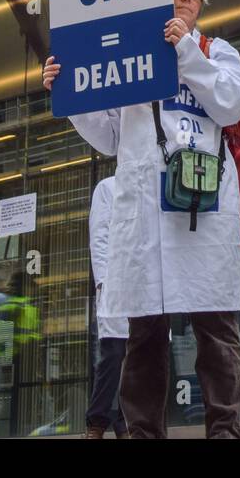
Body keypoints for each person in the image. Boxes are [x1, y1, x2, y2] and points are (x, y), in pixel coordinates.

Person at [42, 0, 240, 439]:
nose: (184, 0)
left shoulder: (217, 51)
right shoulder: (132, 53)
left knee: (216, 327)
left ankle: (224, 430)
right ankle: (143, 434)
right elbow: (112, 135)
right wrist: (70, 95)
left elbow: (232, 103)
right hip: (147, 215)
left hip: (202, 212)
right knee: (145, 334)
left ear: (200, 6)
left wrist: (184, 51)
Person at [85, 175, 130, 439]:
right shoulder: (107, 187)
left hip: (146, 284)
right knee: (113, 356)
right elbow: (99, 234)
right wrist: (102, 279)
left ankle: (125, 423)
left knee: (140, 360)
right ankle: (97, 423)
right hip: (116, 282)